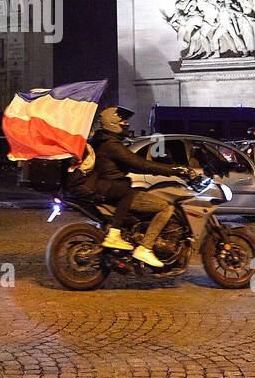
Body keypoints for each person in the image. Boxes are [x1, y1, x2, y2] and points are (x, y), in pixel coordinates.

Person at [74, 105, 190, 269]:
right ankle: (146, 247)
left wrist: (161, 170)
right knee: (166, 207)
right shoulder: (111, 145)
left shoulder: (105, 142)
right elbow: (140, 164)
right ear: (112, 122)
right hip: (112, 188)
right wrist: (173, 170)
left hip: (107, 187)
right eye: (122, 119)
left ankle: (134, 237)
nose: (126, 123)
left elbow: (131, 166)